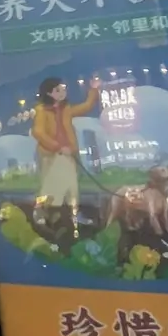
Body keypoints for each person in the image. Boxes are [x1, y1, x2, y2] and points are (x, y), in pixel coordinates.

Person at [32, 76, 100, 243]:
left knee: (72, 187)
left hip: (68, 155)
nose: (62, 92)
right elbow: (38, 133)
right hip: (51, 155)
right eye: (57, 90)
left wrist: (93, 90)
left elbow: (86, 107)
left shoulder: (66, 109)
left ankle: (74, 215)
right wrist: (57, 146)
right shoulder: (42, 111)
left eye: (63, 89)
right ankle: (40, 212)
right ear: (49, 93)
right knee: (49, 187)